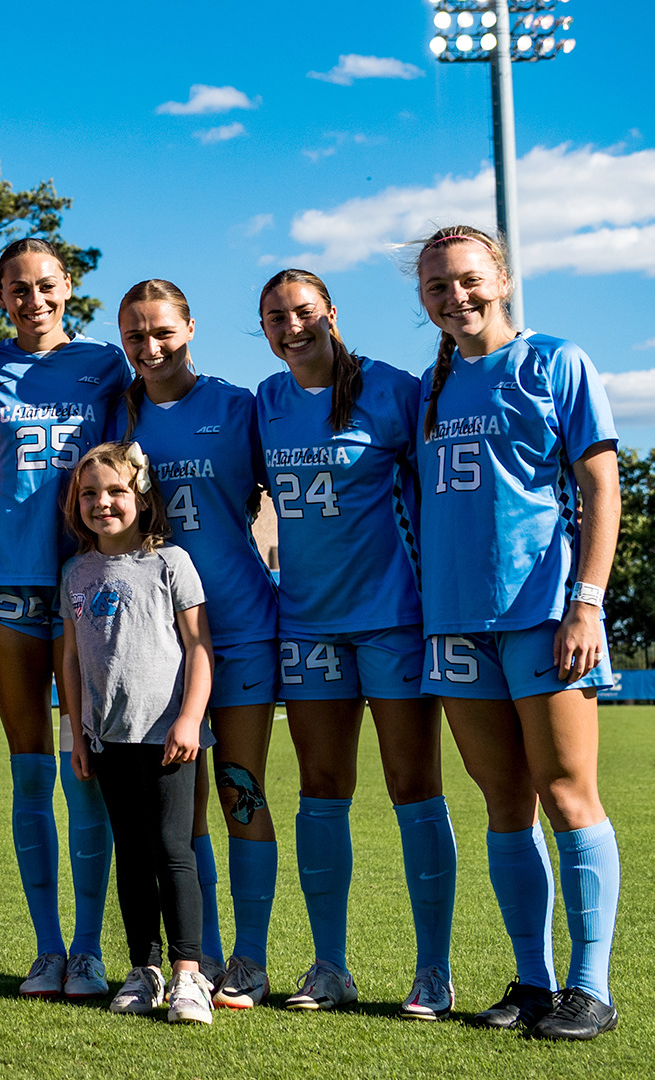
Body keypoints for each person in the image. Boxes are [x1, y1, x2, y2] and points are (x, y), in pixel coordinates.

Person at [412, 226, 620, 1041]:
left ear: (499, 277)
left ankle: (591, 987)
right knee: (505, 801)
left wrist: (588, 601)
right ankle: (533, 982)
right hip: (455, 625)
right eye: (436, 287)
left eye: (467, 280)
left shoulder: (556, 361)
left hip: (542, 615)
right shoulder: (427, 388)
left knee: (569, 796)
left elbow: (601, 488)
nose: (454, 297)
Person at [255, 269, 458, 1019]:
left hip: (394, 620)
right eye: (275, 317)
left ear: (331, 313)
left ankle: (433, 972)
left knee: (413, 787)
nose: (290, 327)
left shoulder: (395, 390)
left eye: (303, 312)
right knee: (321, 790)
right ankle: (329, 966)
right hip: (306, 622)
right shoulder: (266, 405)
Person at [0, 237, 128, 1000]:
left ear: (69, 289)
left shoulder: (105, 365)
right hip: (9, 590)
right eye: (18, 288)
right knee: (31, 771)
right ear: (1, 295)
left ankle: (92, 950)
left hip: (84, 587)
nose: (33, 300)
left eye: (46, 286)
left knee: (85, 770)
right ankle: (46, 948)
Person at [116, 280, 278, 1006]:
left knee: (240, 789)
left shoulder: (237, 407)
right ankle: (199, 955)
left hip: (238, 624)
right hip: (156, 643)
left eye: (162, 334)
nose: (149, 349)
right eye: (134, 337)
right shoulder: (119, 411)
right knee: (180, 812)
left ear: (190, 329)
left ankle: (248, 957)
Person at [61, 441, 215, 1025]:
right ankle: (143, 967)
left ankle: (188, 975)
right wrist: (78, 733)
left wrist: (190, 719)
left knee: (174, 851)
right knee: (130, 852)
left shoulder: (170, 562)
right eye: (90, 494)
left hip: (169, 739)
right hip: (108, 741)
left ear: (141, 496)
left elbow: (200, 647)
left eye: (117, 491)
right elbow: (72, 660)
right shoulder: (75, 572)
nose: (104, 503)